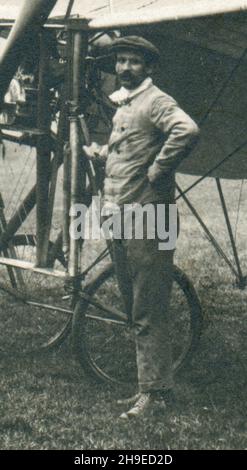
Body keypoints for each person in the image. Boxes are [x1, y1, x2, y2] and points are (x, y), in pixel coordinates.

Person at [83, 35, 199, 419]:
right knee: (135, 305)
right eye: (121, 61)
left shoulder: (156, 101)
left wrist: (159, 168)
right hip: (121, 213)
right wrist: (102, 154)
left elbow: (187, 130)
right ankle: (146, 387)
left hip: (150, 216)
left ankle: (155, 396)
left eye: (134, 62)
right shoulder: (126, 103)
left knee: (149, 308)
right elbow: (130, 150)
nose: (125, 68)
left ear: (149, 68)